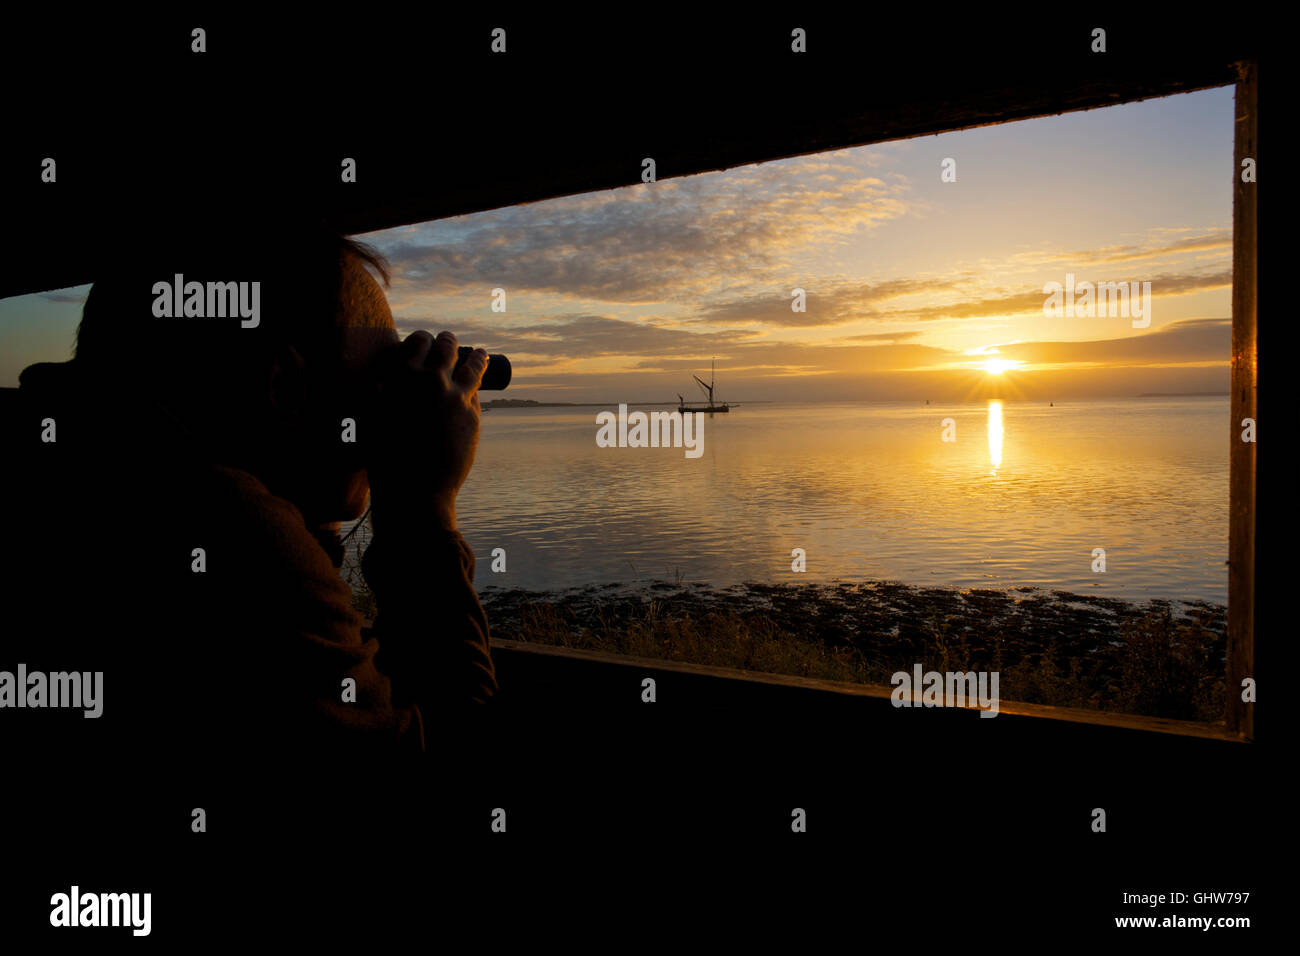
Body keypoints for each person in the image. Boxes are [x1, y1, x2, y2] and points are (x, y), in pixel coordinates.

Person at [3, 218, 498, 806]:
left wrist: (316, 477)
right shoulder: (229, 526)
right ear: (281, 385)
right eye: (376, 378)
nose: (388, 403)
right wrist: (424, 507)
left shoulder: (83, 460)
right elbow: (458, 767)